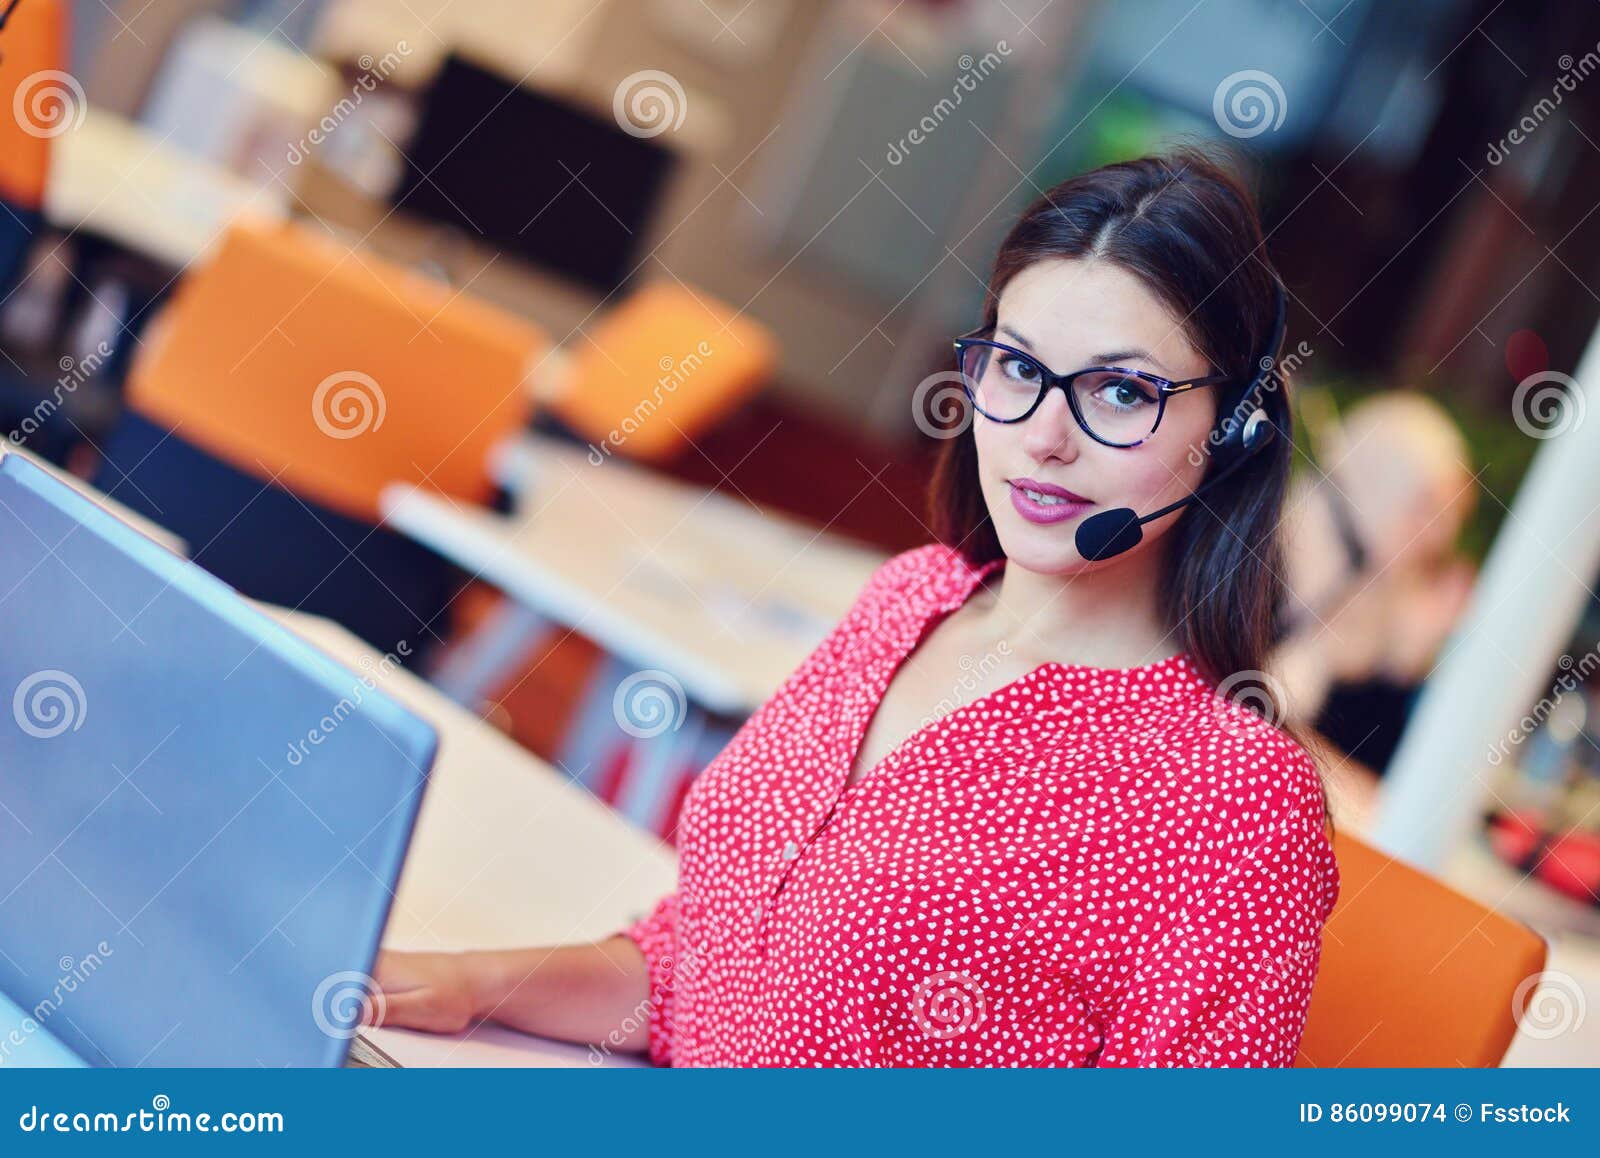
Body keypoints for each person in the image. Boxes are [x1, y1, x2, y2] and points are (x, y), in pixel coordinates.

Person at [367, 145, 1341, 1067]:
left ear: (1231, 428)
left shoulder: (1232, 802)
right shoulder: (910, 598)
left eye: (1121, 391)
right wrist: (472, 981)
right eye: (1016, 367)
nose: (1043, 436)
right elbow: (698, 975)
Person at [1274, 391, 1478, 824]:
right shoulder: (1264, 561)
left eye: (1449, 517)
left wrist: (1411, 663)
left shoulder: (1386, 595)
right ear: (1378, 485)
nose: (1439, 535)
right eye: (1425, 508)